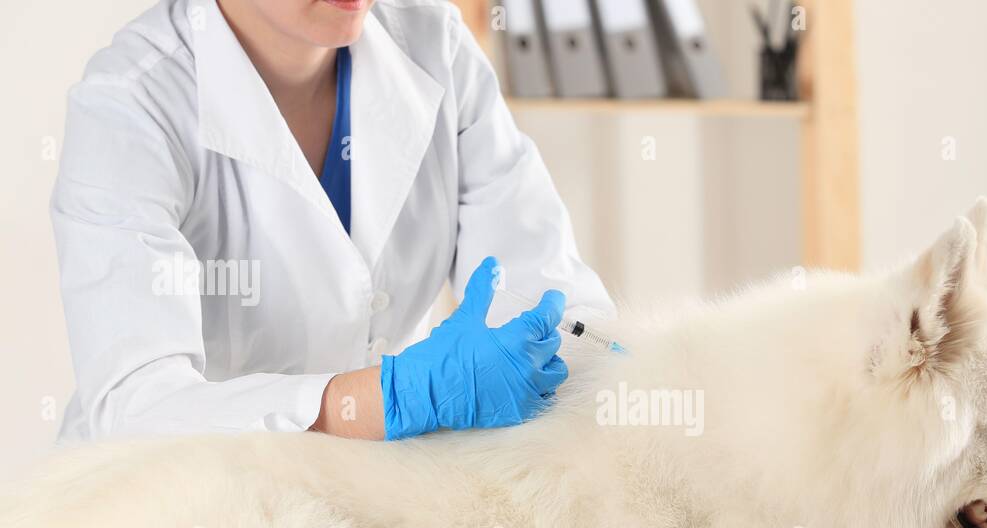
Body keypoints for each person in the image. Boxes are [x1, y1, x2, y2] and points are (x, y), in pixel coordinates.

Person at [51, 0, 613, 442]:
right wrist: (390, 400)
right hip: (174, 527)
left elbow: (554, 303)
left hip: (382, 501)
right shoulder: (129, 105)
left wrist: (589, 362)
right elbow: (136, 411)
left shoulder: (434, 45)